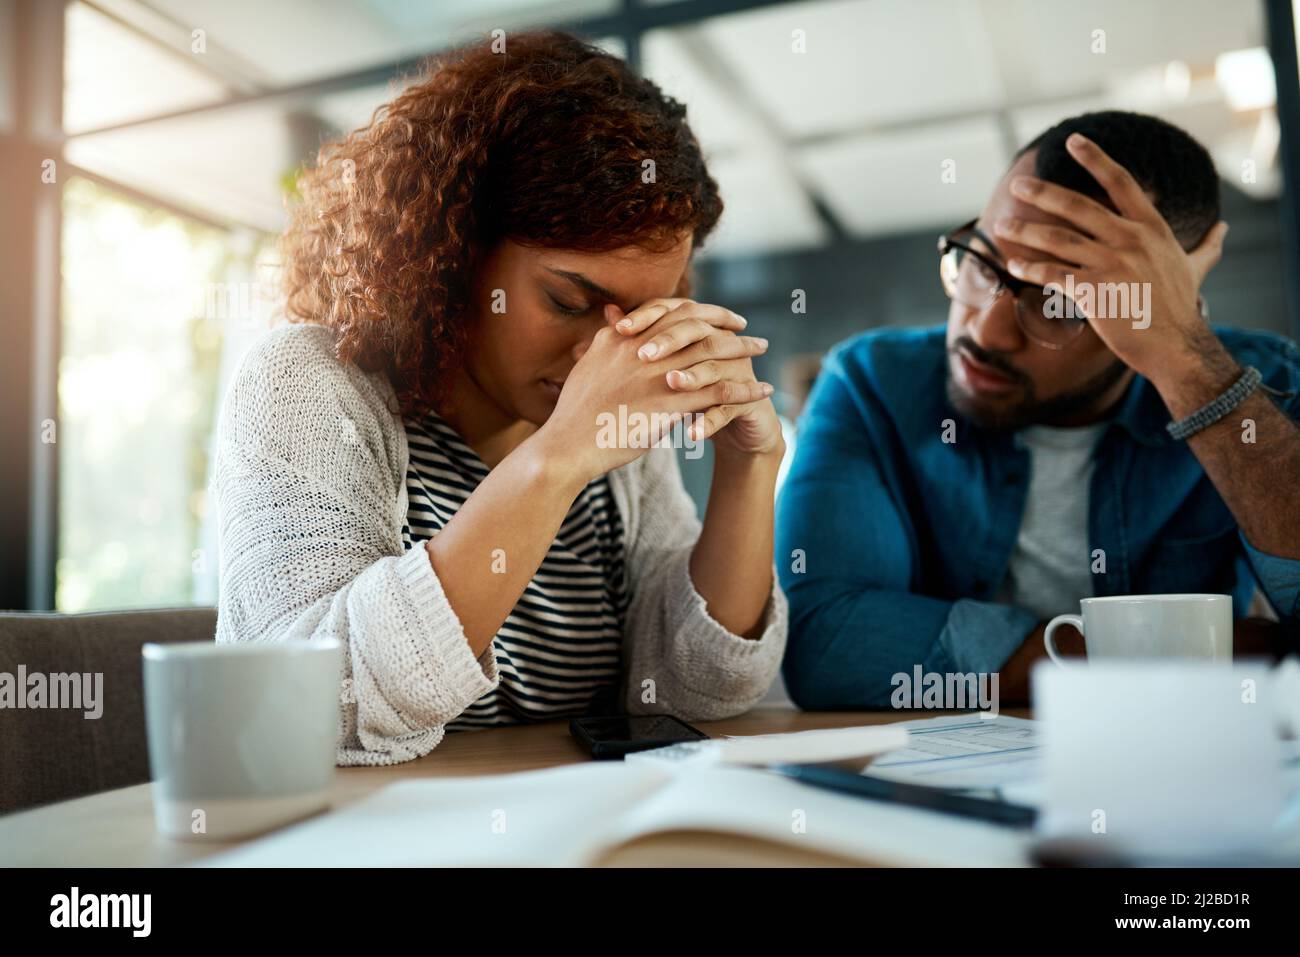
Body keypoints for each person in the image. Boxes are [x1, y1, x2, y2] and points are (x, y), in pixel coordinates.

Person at [213, 32, 787, 765]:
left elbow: (689, 694)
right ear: (455, 250)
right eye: (568, 298)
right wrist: (554, 462)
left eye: (646, 319)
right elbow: (304, 706)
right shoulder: (309, 383)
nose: (604, 360)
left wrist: (749, 466)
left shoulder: (619, 442)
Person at [777, 110, 1300, 708]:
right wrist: (1217, 651)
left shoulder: (1262, 386)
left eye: (1058, 300)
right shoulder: (873, 384)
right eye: (981, 262)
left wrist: (1187, 363)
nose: (989, 331)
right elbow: (826, 648)